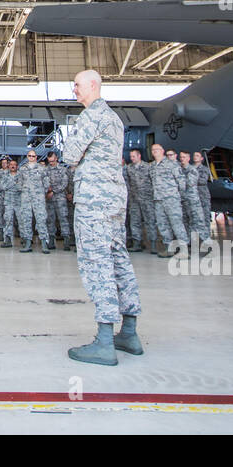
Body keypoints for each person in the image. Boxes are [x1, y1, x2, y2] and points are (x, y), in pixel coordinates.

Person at [62, 70, 141, 366]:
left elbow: (70, 154)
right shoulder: (114, 118)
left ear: (93, 85)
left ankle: (105, 341)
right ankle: (129, 333)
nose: (74, 90)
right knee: (118, 258)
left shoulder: (91, 116)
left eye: (78, 85)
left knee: (97, 262)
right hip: (114, 199)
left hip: (94, 201)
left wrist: (77, 155)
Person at [149, 144, 185, 255]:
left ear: (162, 151)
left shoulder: (171, 164)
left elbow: (181, 182)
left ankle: (184, 250)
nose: (155, 151)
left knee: (176, 224)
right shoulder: (152, 166)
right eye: (153, 150)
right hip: (158, 200)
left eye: (157, 149)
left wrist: (177, 196)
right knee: (162, 224)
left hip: (171, 199)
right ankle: (169, 248)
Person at [17, 150, 51, 253]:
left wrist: (41, 192)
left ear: (36, 157)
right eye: (30, 156)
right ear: (27, 157)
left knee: (41, 219)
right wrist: (23, 189)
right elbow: (19, 182)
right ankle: (28, 243)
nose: (31, 157)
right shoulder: (22, 169)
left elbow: (46, 182)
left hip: (38, 198)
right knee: (26, 219)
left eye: (33, 156)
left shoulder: (41, 169)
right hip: (26, 198)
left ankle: (44, 243)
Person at [45, 151, 73, 248]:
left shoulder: (63, 169)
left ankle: (66, 240)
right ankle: (51, 240)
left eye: (52, 161)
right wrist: (47, 190)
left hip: (60, 198)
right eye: (49, 161)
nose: (51, 163)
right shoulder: (46, 170)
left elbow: (64, 184)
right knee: (50, 219)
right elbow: (44, 183)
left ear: (56, 158)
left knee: (63, 218)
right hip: (49, 199)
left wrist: (53, 190)